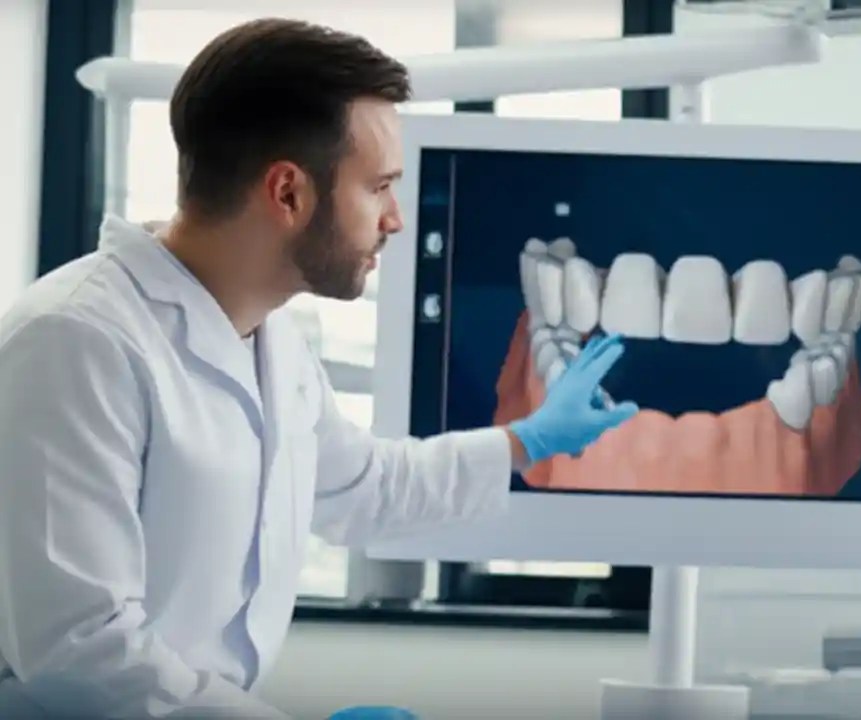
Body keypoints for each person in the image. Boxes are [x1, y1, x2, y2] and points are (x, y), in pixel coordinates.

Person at [0, 18, 637, 719]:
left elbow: (364, 486)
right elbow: (80, 652)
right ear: (288, 193)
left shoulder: (272, 338)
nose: (395, 219)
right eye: (379, 187)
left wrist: (526, 441)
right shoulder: (76, 341)